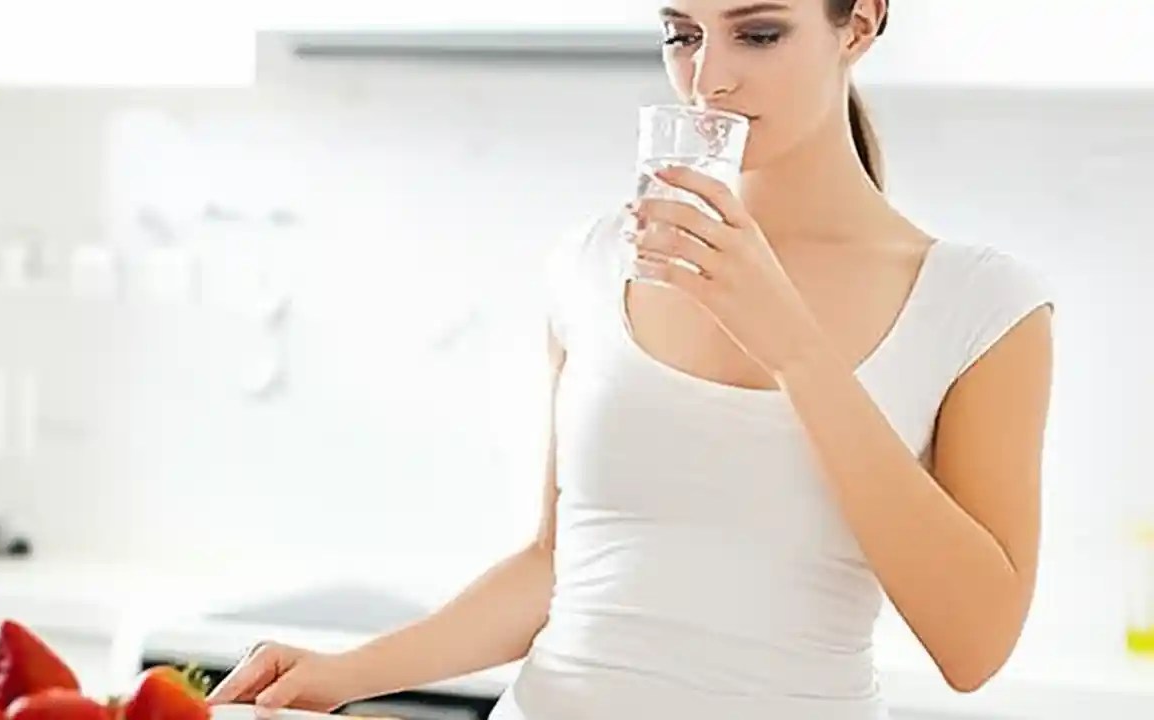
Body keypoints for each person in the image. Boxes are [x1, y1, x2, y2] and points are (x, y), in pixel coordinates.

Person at [207, 0, 1055, 717]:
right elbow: (556, 568)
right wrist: (342, 673)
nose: (707, 78)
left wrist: (794, 345)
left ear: (860, 22)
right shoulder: (594, 260)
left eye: (757, 34)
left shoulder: (979, 304)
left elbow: (972, 646)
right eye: (683, 34)